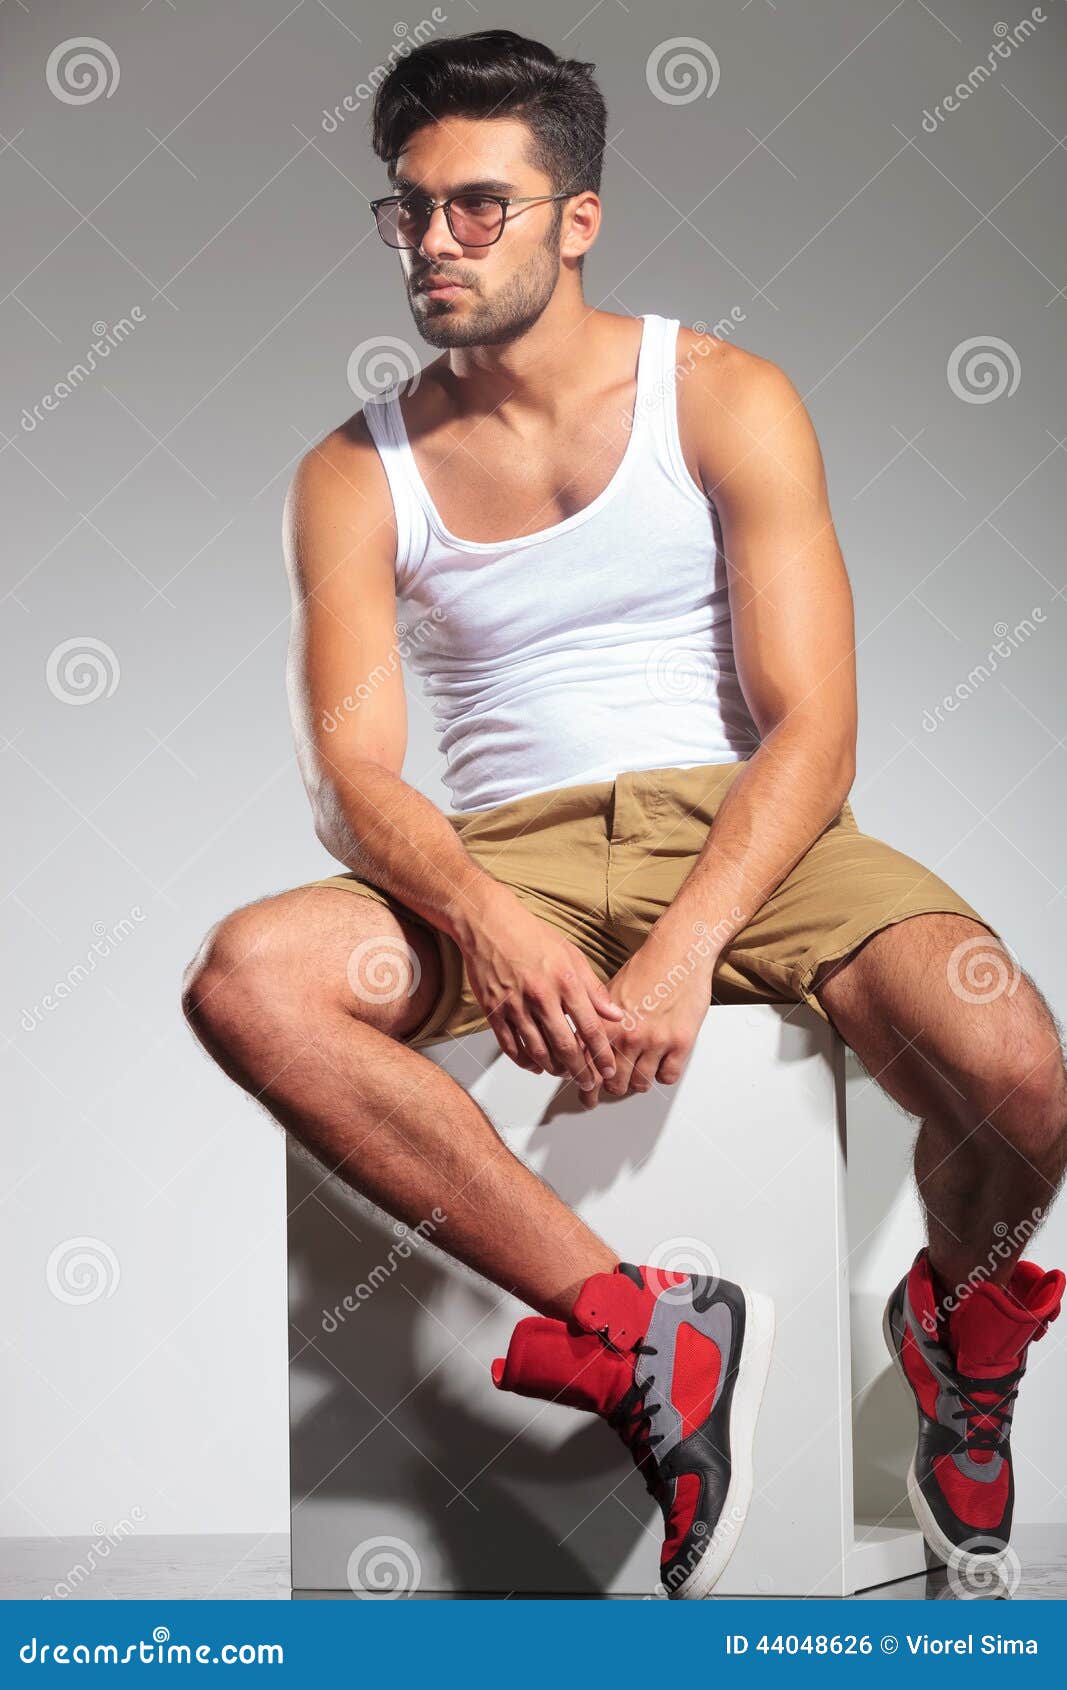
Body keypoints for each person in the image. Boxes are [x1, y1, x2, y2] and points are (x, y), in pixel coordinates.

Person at [182, 29, 1066, 1597]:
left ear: (575, 219)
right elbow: (352, 777)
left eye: (479, 208)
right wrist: (486, 913)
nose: (434, 244)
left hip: (755, 834)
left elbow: (819, 729)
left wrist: (685, 948)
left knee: (1020, 1073)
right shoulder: (353, 468)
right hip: (507, 847)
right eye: (409, 210)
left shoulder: (724, 395)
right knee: (249, 978)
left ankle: (955, 1325)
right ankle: (644, 1330)